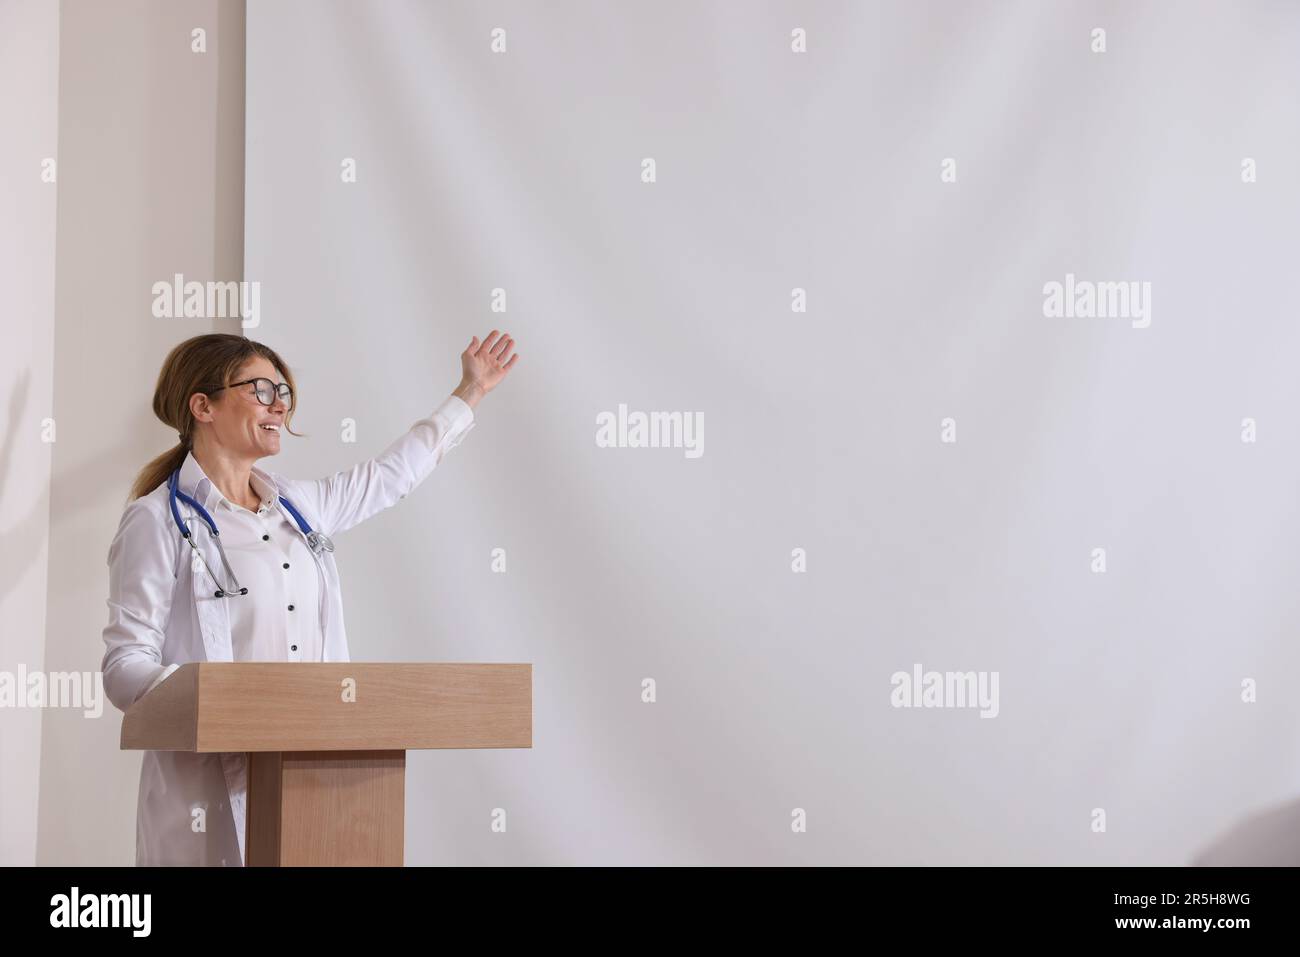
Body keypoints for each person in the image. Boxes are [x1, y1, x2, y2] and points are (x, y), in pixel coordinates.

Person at [100, 330, 518, 865]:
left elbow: (391, 476)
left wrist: (471, 392)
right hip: (206, 795)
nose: (279, 406)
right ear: (202, 405)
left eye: (283, 392)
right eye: (261, 390)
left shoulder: (300, 507)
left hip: (313, 787)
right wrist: (216, 697)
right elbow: (123, 665)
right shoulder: (157, 521)